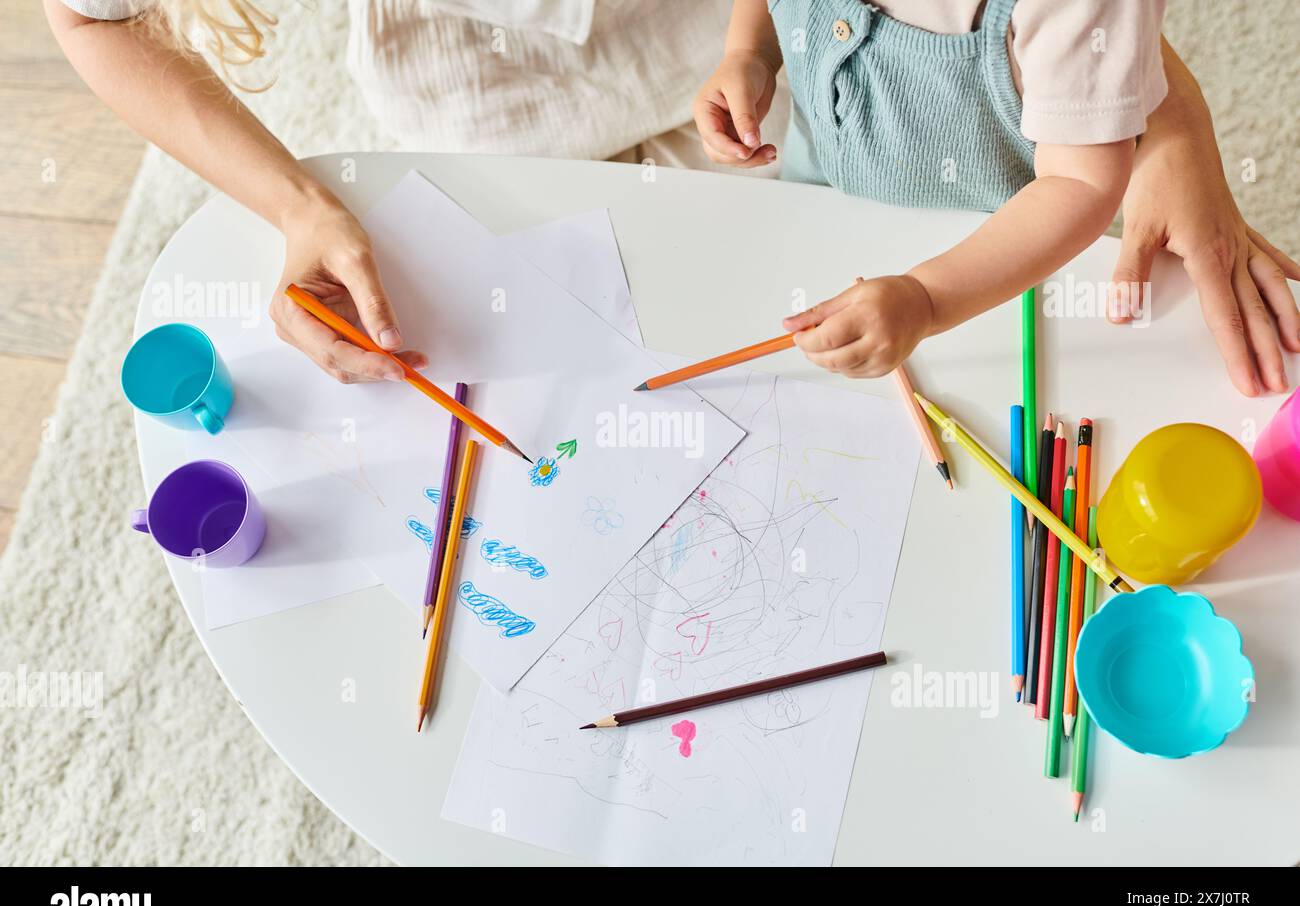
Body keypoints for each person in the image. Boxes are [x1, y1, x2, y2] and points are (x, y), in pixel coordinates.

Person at [48, 1, 1298, 396]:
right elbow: (90, 21)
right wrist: (293, 206)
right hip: (484, 74)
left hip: (912, 180)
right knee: (596, 312)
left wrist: (1167, 118)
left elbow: (1076, 104)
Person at [696, 0, 1300, 395]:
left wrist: (927, 299)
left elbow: (1082, 182)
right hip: (815, 199)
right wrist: (750, 53)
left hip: (984, 268)